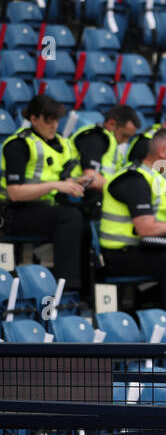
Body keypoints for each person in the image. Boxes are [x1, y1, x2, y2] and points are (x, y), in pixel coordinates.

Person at [100, 129, 166, 327]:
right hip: (120, 254)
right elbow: (147, 230)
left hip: (148, 248)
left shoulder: (164, 180)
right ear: (162, 152)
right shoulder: (134, 180)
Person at [0, 94, 91, 294]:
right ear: (33, 119)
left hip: (42, 208)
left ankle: (87, 292)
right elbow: (14, 193)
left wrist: (74, 182)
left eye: (57, 121)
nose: (54, 126)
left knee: (85, 218)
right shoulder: (18, 145)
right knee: (69, 217)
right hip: (12, 212)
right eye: (48, 121)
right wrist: (55, 185)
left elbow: (53, 178)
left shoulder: (62, 143)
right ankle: (65, 288)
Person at [71, 104, 142, 212]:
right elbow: (91, 178)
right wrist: (123, 192)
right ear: (111, 124)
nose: (126, 142)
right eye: (124, 135)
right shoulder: (95, 139)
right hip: (80, 198)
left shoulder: (112, 145)